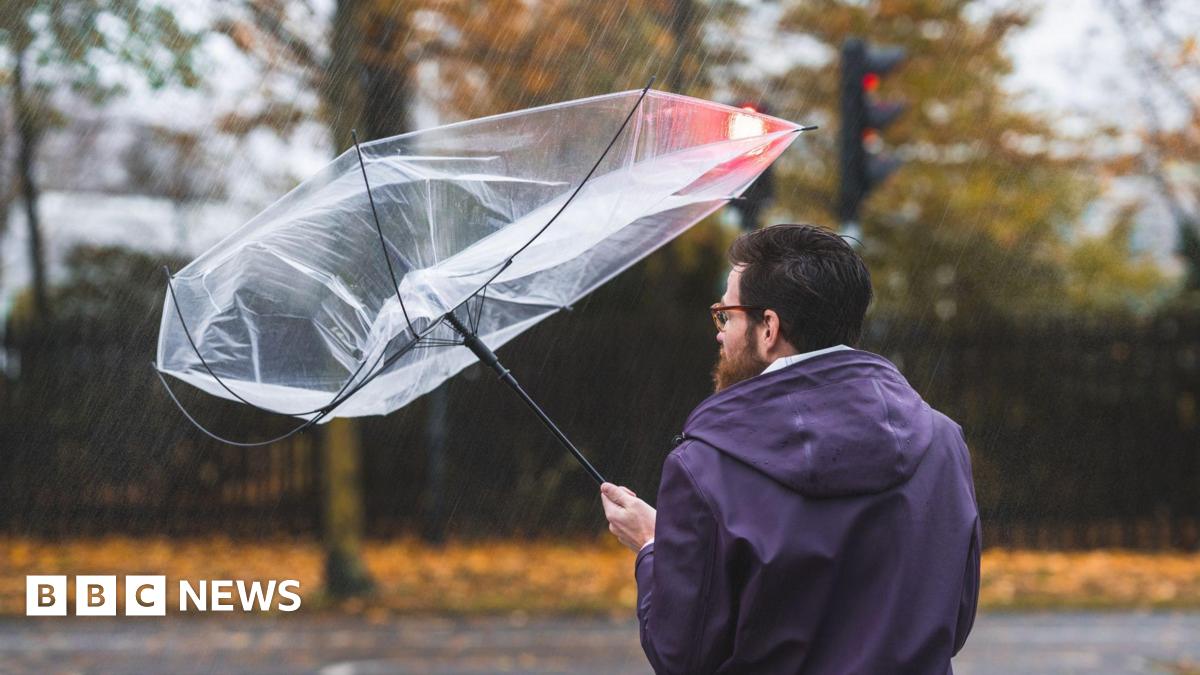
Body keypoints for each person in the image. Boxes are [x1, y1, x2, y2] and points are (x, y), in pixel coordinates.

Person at [600, 223, 981, 674]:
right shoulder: (943, 441)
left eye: (727, 314)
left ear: (769, 328)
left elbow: (682, 655)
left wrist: (652, 548)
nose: (719, 331)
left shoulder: (705, 467)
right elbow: (951, 622)